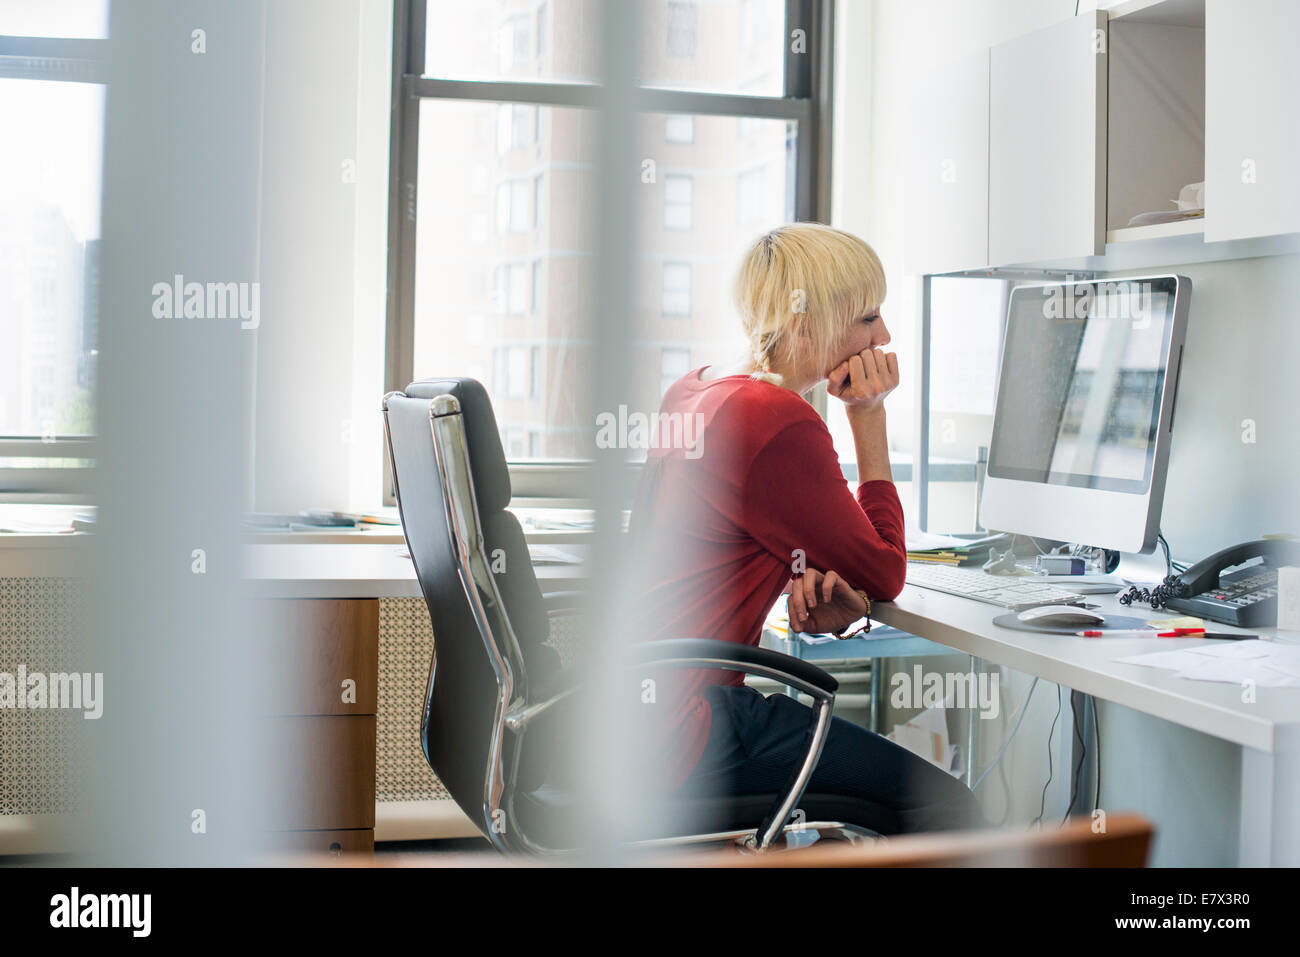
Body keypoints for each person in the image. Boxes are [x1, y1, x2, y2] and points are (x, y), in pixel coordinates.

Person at [630, 222, 985, 835]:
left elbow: (742, 536)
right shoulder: (771, 418)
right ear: (805, 327)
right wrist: (867, 414)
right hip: (685, 734)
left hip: (633, 717)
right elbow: (886, 571)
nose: (886, 335)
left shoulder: (696, 390)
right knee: (950, 806)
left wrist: (809, 570)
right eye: (868, 318)